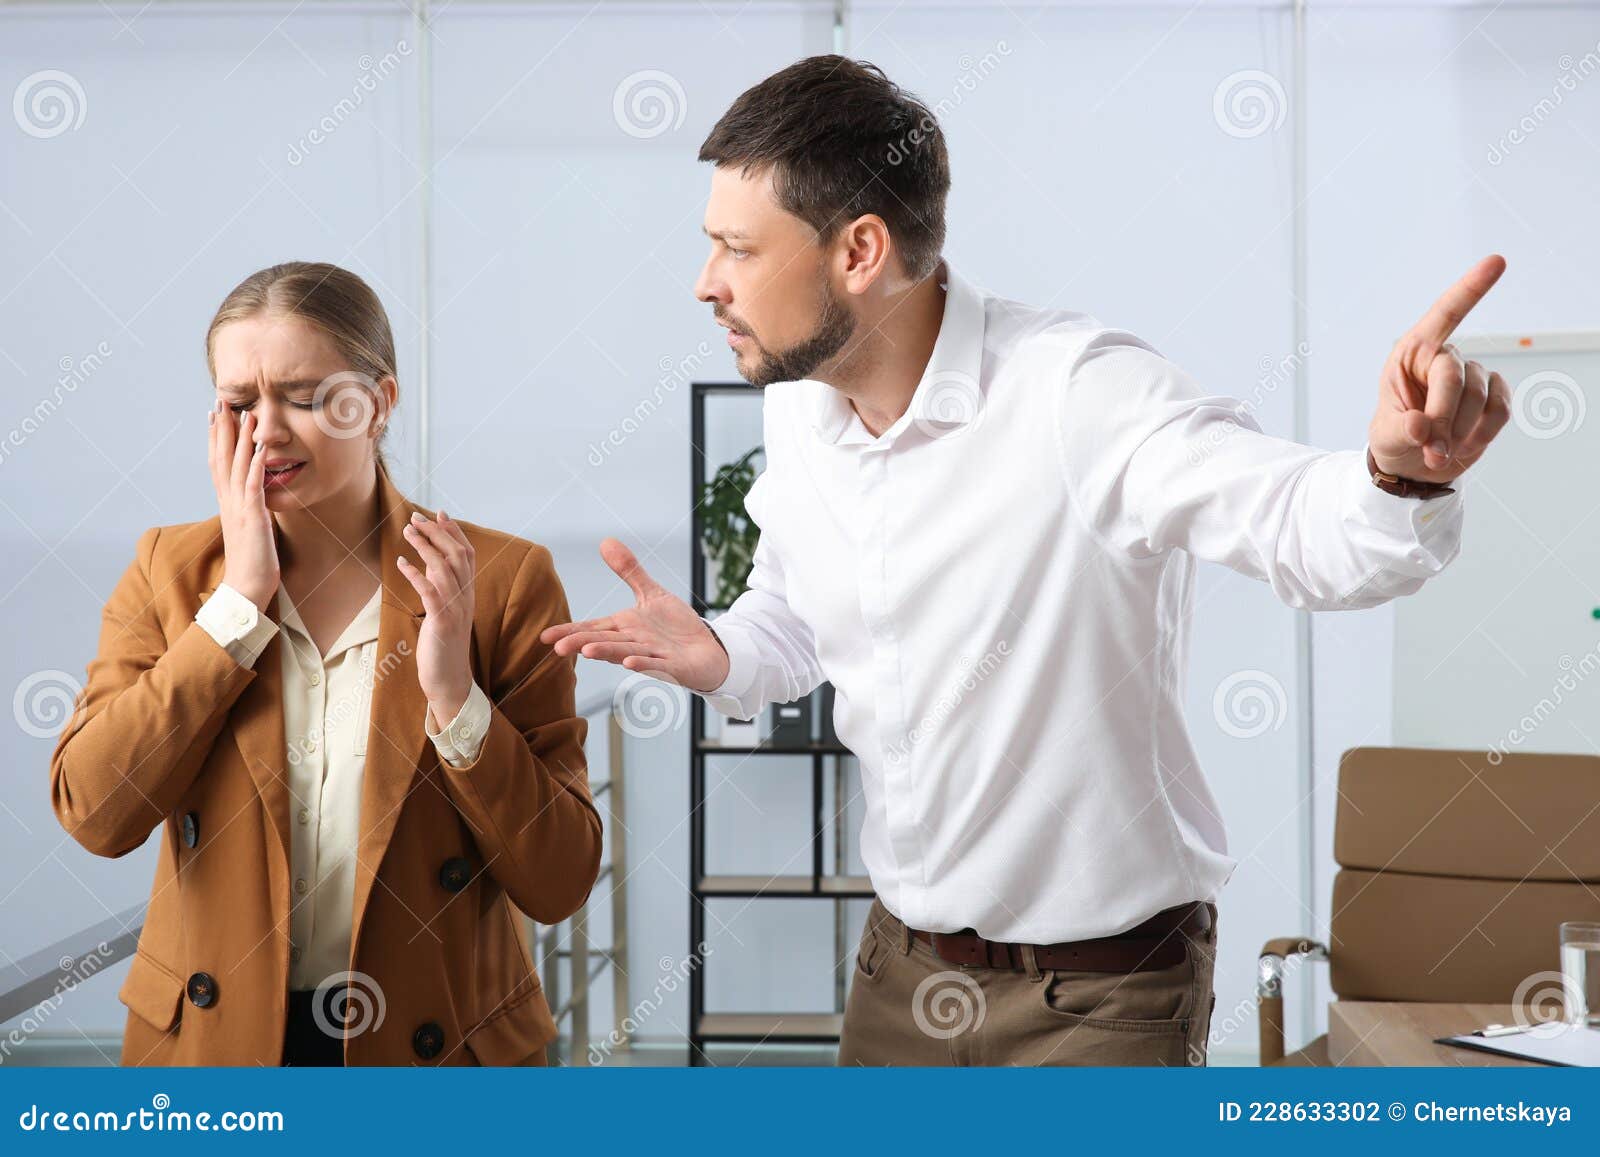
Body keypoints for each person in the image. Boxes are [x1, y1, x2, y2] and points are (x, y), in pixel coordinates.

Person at [540, 56, 1513, 1066]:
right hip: (897, 979)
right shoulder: (800, 409)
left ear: (859, 251)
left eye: (736, 249)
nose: (707, 283)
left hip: (1099, 1000)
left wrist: (1395, 477)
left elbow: (1299, 527)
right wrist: (719, 652)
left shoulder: (1077, 396)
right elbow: (794, 616)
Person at [49, 261, 602, 1066]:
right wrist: (237, 609)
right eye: (240, 403)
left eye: (304, 398)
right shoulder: (168, 572)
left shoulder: (501, 579)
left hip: (432, 1046)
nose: (265, 430)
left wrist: (454, 697)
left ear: (377, 404)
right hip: (218, 1046)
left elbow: (557, 881)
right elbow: (95, 811)